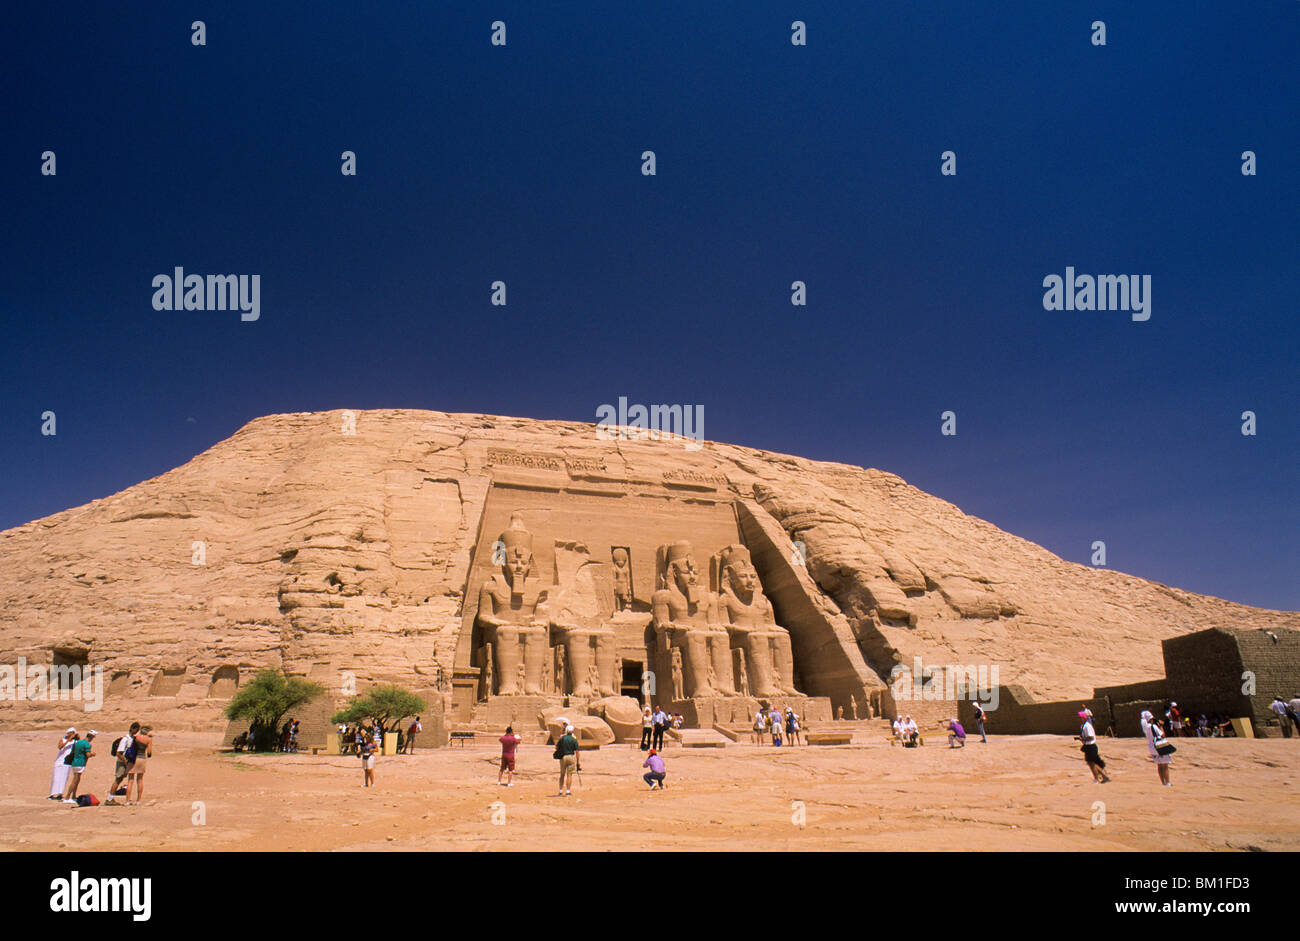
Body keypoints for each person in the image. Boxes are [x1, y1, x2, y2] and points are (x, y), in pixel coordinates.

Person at [106, 722, 140, 803]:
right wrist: (126, 762)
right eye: (136, 730)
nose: (136, 732)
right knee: (118, 780)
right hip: (122, 762)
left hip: (127, 762)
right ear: (132, 728)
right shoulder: (125, 739)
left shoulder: (132, 738)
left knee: (122, 779)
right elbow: (118, 753)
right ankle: (109, 799)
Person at [62, 730, 97, 803]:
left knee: (77, 780)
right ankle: (67, 797)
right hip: (80, 763)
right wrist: (92, 754)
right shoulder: (87, 744)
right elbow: (87, 754)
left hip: (75, 762)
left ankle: (73, 796)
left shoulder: (78, 742)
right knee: (75, 780)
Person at [1141, 710, 1173, 786]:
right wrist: (1161, 726)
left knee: (1159, 765)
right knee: (1165, 765)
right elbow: (1163, 735)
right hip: (1160, 747)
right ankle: (1168, 782)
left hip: (1152, 748)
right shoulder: (1153, 726)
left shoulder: (1145, 727)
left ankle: (1163, 782)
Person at [1077, 711, 1111, 783]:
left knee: (1092, 763)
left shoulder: (1087, 726)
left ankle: (1097, 778)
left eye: (1080, 718)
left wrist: (1083, 739)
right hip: (1088, 746)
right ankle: (1104, 777)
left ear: (1084, 718)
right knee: (1091, 763)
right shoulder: (1083, 726)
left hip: (1091, 746)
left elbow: (1091, 737)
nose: (1079, 719)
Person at [123, 726, 152, 805]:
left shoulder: (136, 738)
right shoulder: (148, 740)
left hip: (133, 759)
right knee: (140, 780)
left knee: (130, 780)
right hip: (142, 759)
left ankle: (127, 801)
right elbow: (149, 753)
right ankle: (138, 800)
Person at [49, 728, 77, 800]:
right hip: (59, 761)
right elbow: (60, 747)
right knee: (56, 777)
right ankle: (52, 794)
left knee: (64, 778)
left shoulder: (75, 742)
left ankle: (60, 794)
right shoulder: (63, 739)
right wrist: (68, 740)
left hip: (67, 762)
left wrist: (76, 739)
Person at [556, 724, 580, 796]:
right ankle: (568, 791)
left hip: (563, 757)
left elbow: (557, 747)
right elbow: (577, 751)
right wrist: (578, 762)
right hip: (571, 756)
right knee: (569, 775)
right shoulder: (574, 739)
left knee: (562, 774)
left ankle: (560, 791)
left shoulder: (562, 738)